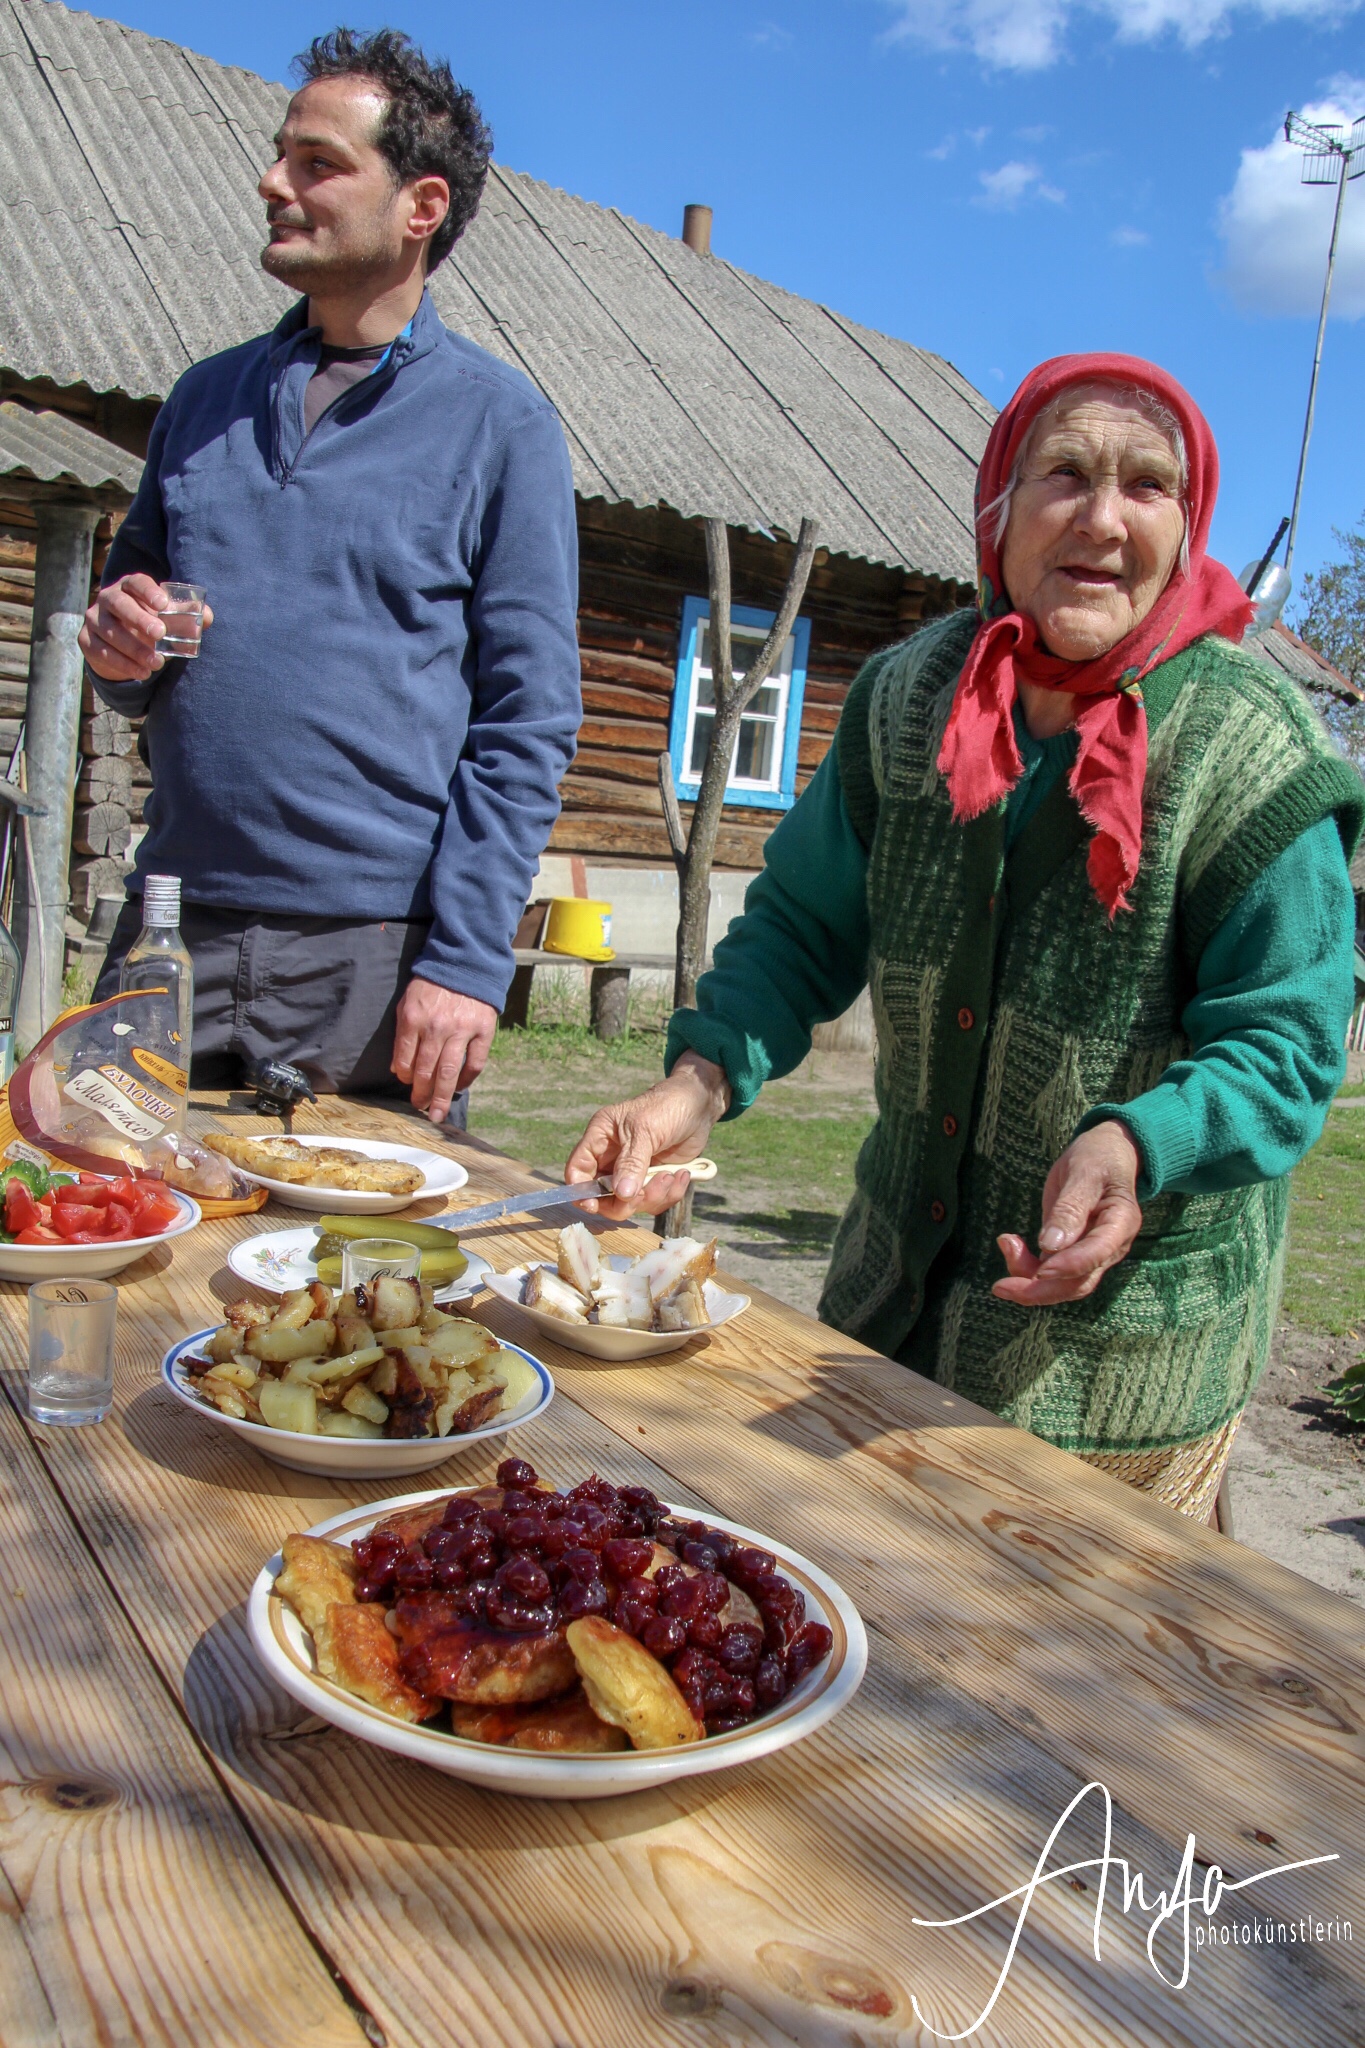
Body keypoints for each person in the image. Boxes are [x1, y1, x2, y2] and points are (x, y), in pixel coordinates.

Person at [566, 353, 1363, 1523]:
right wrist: (697, 1079)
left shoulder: (1253, 749)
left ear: (1186, 530)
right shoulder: (909, 697)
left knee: (1067, 1691)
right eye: (1066, 474)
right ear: (998, 509)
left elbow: (1288, 1041)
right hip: (891, 1312)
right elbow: (798, 924)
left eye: (1148, 486)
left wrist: (1143, 1143)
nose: (1102, 518)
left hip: (1118, 1381)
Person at [80, 29, 580, 1127]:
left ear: (421, 206)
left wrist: (465, 957)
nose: (274, 183)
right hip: (169, 926)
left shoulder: (503, 426)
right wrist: (121, 648)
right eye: (280, 156)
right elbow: (129, 654)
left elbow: (527, 719)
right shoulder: (201, 400)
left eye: (318, 162)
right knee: (118, 1246)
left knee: (360, 1284)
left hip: (372, 960)